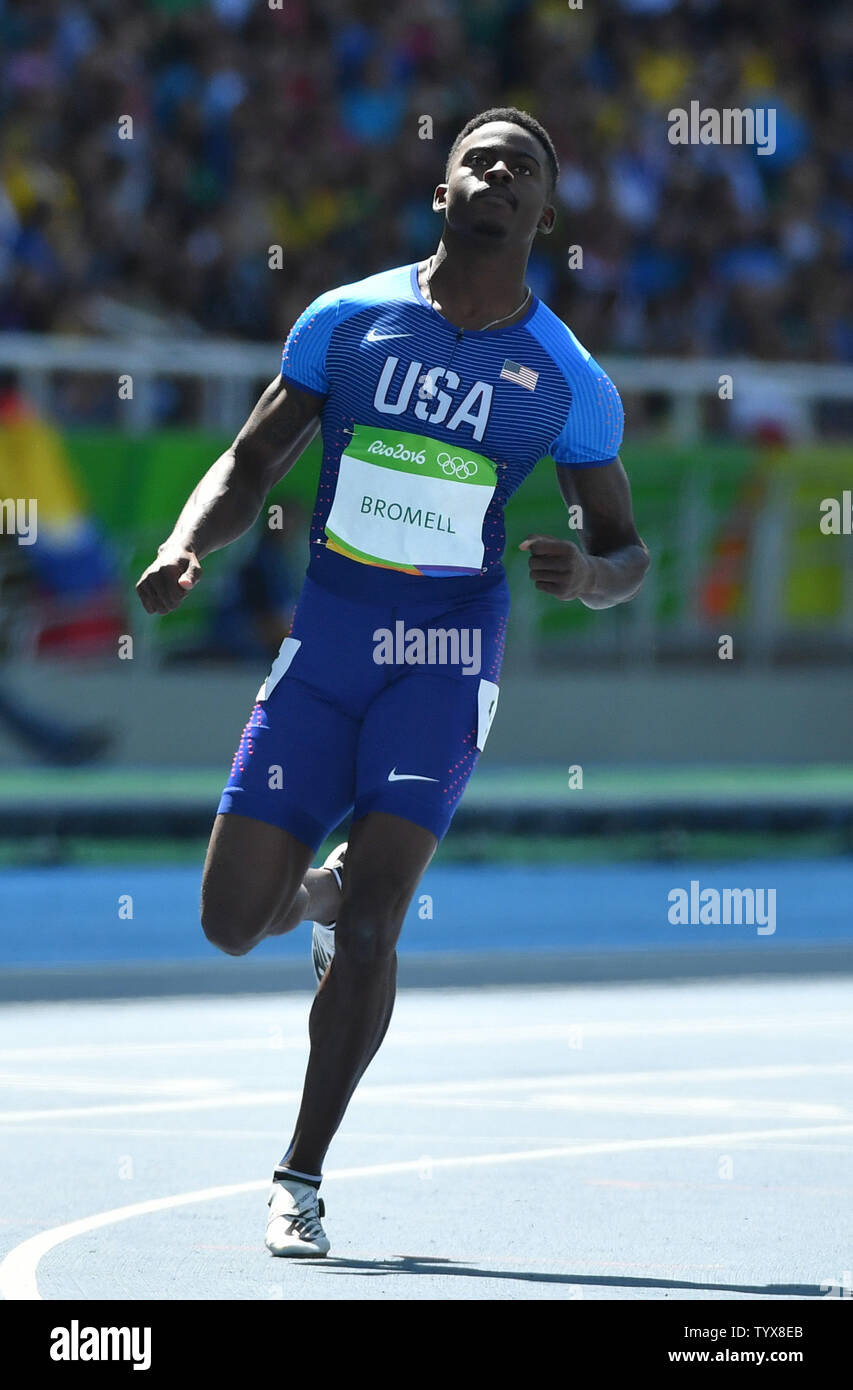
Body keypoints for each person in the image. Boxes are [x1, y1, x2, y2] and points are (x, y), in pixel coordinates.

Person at [135, 106, 650, 1259]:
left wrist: (588, 579)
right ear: (443, 190)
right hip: (325, 651)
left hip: (446, 661)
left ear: (543, 215)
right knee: (230, 923)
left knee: (379, 920)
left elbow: (628, 550)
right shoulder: (348, 320)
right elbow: (251, 458)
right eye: (481, 158)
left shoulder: (566, 382)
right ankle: (312, 897)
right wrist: (187, 543)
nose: (501, 173)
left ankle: (300, 1176)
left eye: (524, 167)